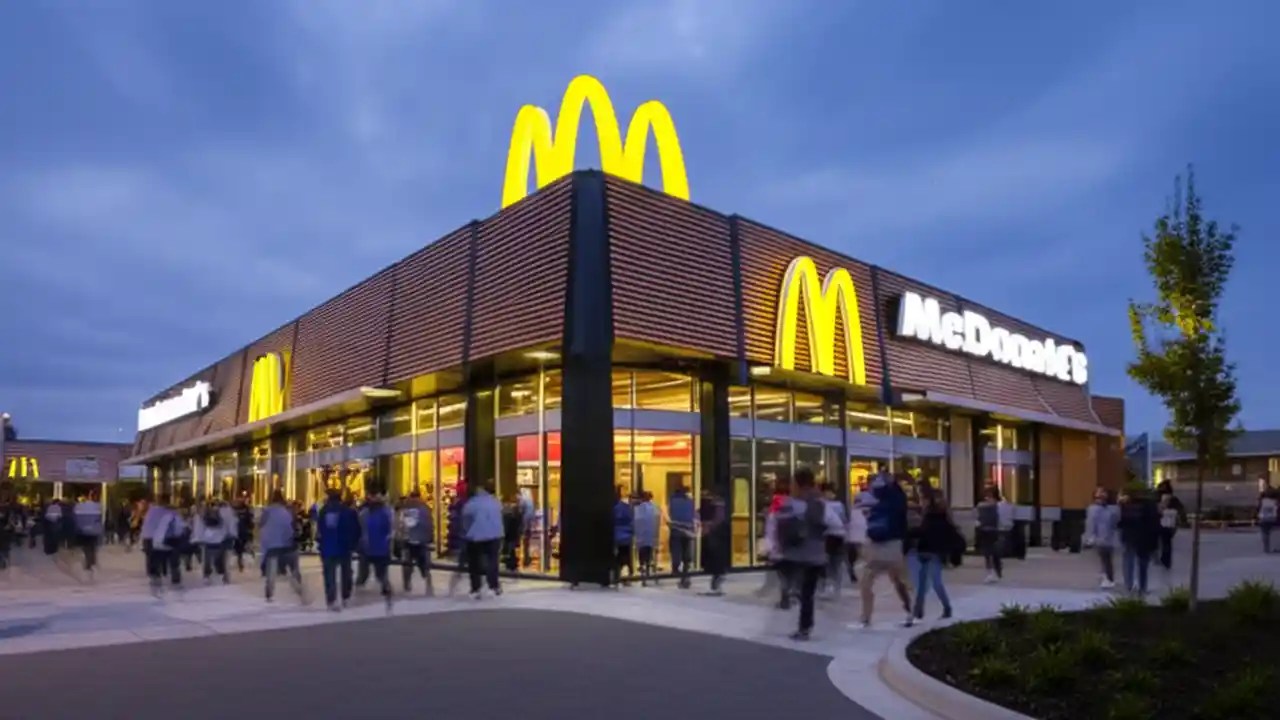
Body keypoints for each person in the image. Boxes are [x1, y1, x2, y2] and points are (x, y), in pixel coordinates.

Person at [775, 467, 831, 641]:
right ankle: (804, 626)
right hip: (817, 553)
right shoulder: (821, 501)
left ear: (799, 484)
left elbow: (784, 523)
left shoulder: (797, 503)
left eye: (793, 482)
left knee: (802, 591)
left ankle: (803, 626)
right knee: (807, 592)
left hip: (801, 554)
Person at [853, 473, 914, 630]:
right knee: (897, 581)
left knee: (869, 581)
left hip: (884, 544)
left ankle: (866, 617)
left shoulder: (884, 503)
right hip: (891, 545)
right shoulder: (896, 501)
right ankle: (909, 610)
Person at [913, 493, 960, 620]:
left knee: (926, 582)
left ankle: (920, 609)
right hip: (935, 553)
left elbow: (922, 533)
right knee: (933, 582)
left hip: (926, 552)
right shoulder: (944, 520)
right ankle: (941, 607)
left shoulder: (929, 518)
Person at [259, 490, 306, 604]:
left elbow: (261, 524)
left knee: (272, 570)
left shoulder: (267, 511)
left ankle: (269, 592)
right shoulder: (288, 511)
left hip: (272, 545)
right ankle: (300, 590)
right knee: (293, 569)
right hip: (288, 544)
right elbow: (295, 527)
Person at [316, 489, 359, 610]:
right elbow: (355, 529)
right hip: (344, 547)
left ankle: (331, 598)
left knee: (329, 574)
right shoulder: (349, 512)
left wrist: (321, 543)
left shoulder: (323, 512)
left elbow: (320, 530)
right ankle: (345, 596)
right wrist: (354, 544)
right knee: (346, 572)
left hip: (328, 547)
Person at [461, 480, 504, 599]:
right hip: (494, 536)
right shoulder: (495, 502)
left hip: (475, 537)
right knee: (493, 562)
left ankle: (476, 589)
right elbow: (500, 517)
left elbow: (465, 520)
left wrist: (468, 532)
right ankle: (493, 586)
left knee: (474, 563)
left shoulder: (471, 504)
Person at [1118, 487, 1160, 597]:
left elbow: (1121, 522)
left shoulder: (1126, 504)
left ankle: (1129, 586)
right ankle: (1142, 588)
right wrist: (1155, 543)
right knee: (1143, 564)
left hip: (1129, 537)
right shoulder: (1151, 505)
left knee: (1128, 561)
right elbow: (1154, 523)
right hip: (1144, 538)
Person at [359, 490, 395, 609]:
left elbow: (362, 530)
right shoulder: (385, 514)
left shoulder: (365, 514)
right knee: (381, 571)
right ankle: (385, 587)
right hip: (380, 548)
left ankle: (361, 586)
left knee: (371, 570)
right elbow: (389, 530)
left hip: (371, 547)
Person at [140, 495, 178, 595]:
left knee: (151, 557)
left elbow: (146, 524)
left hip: (148, 536)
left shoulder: (152, 511)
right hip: (159, 537)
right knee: (161, 556)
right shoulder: (169, 512)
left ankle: (154, 576)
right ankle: (164, 575)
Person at [399, 488, 434, 595]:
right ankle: (429, 585)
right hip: (422, 541)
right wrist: (429, 537)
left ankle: (407, 585)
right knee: (425, 566)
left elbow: (402, 525)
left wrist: (401, 537)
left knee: (407, 565)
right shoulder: (425, 509)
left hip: (409, 541)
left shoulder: (406, 509)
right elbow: (429, 525)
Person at [1084, 487, 1120, 589]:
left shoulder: (1110, 509)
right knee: (1105, 558)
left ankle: (1108, 577)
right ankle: (1107, 577)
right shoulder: (1094, 509)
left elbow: (1114, 522)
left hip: (1108, 537)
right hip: (1101, 537)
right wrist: (1090, 536)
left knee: (1106, 558)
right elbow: (1091, 524)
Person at [820, 483, 848, 599]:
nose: (829, 494)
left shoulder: (825, 504)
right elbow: (844, 519)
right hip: (832, 536)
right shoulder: (837, 505)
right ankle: (832, 585)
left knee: (834, 561)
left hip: (833, 536)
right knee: (831, 561)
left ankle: (833, 586)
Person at [195, 497, 232, 585]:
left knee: (207, 559)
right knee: (219, 559)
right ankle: (221, 574)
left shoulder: (204, 516)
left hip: (208, 541)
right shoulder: (222, 515)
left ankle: (207, 575)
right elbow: (225, 528)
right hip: (219, 540)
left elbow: (200, 528)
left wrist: (199, 538)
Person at [698, 489, 727, 595]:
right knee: (716, 558)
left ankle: (717, 580)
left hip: (715, 536)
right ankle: (717, 580)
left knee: (715, 557)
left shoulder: (716, 507)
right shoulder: (721, 507)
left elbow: (716, 521)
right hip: (717, 536)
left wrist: (708, 528)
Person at [667, 486, 696, 590]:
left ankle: (676, 568)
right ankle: (685, 576)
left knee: (676, 552)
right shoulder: (690, 502)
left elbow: (671, 514)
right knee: (687, 557)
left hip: (676, 530)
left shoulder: (672, 501)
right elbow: (693, 516)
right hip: (688, 531)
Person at [975, 485, 1004, 584]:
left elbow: (978, 517)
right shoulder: (996, 505)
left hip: (988, 530)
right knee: (990, 553)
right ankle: (994, 571)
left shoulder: (983, 506)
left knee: (990, 552)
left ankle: (993, 571)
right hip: (990, 531)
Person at [72, 490, 104, 577]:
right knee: (92, 547)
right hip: (94, 531)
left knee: (86, 548)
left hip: (83, 532)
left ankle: (88, 564)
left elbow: (75, 520)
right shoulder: (97, 506)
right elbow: (99, 520)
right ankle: (92, 563)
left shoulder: (78, 506)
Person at [633, 491, 660, 586]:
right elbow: (657, 521)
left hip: (641, 536)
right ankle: (648, 568)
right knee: (649, 553)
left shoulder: (638, 509)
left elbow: (636, 521)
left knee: (642, 553)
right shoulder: (655, 507)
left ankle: (643, 568)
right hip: (651, 536)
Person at [1155, 481, 1184, 572]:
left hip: (1165, 523)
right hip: (1170, 524)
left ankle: (1165, 560)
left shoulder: (1161, 497)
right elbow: (1180, 510)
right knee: (1167, 543)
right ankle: (1166, 560)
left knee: (1164, 542)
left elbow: (1159, 510)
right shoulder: (1173, 499)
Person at [612, 487, 635, 588]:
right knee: (627, 557)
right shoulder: (628, 508)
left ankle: (617, 575)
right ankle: (627, 576)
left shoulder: (615, 508)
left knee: (619, 557)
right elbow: (632, 521)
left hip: (617, 536)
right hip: (627, 536)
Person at [232, 496, 254, 572]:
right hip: (244, 532)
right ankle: (244, 558)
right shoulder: (246, 511)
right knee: (244, 546)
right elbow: (250, 521)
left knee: (239, 549)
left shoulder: (234, 511)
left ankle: (240, 560)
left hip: (237, 532)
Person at [1257, 488, 1277, 554]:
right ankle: (1273, 547)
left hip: (1263, 519)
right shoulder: (1275, 501)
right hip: (1272, 518)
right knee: (1273, 534)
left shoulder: (1262, 501)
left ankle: (1266, 548)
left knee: (1265, 534)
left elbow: (1258, 509)